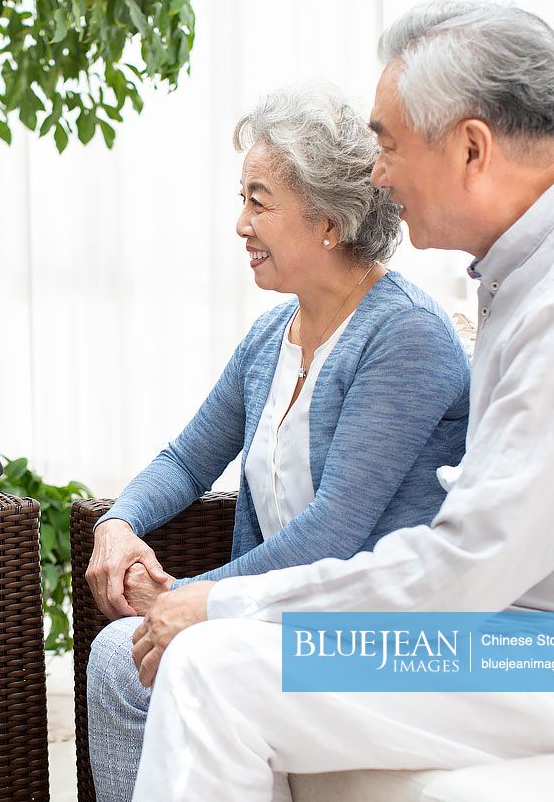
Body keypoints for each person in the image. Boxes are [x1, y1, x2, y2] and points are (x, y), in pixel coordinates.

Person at [98, 1, 554, 801]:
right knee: (213, 661)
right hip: (525, 629)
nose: (377, 175)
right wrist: (179, 573)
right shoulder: (535, 271)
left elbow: (462, 566)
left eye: (387, 144)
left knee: (213, 668)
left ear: (471, 148)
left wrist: (220, 601)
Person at [86, 82, 471, 801]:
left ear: (327, 220)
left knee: (123, 654)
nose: (240, 224)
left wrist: (187, 600)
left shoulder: (405, 336)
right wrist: (118, 523)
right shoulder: (271, 336)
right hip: (284, 613)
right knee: (126, 653)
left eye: (258, 201)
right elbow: (185, 460)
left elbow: (333, 533)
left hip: (376, 630)